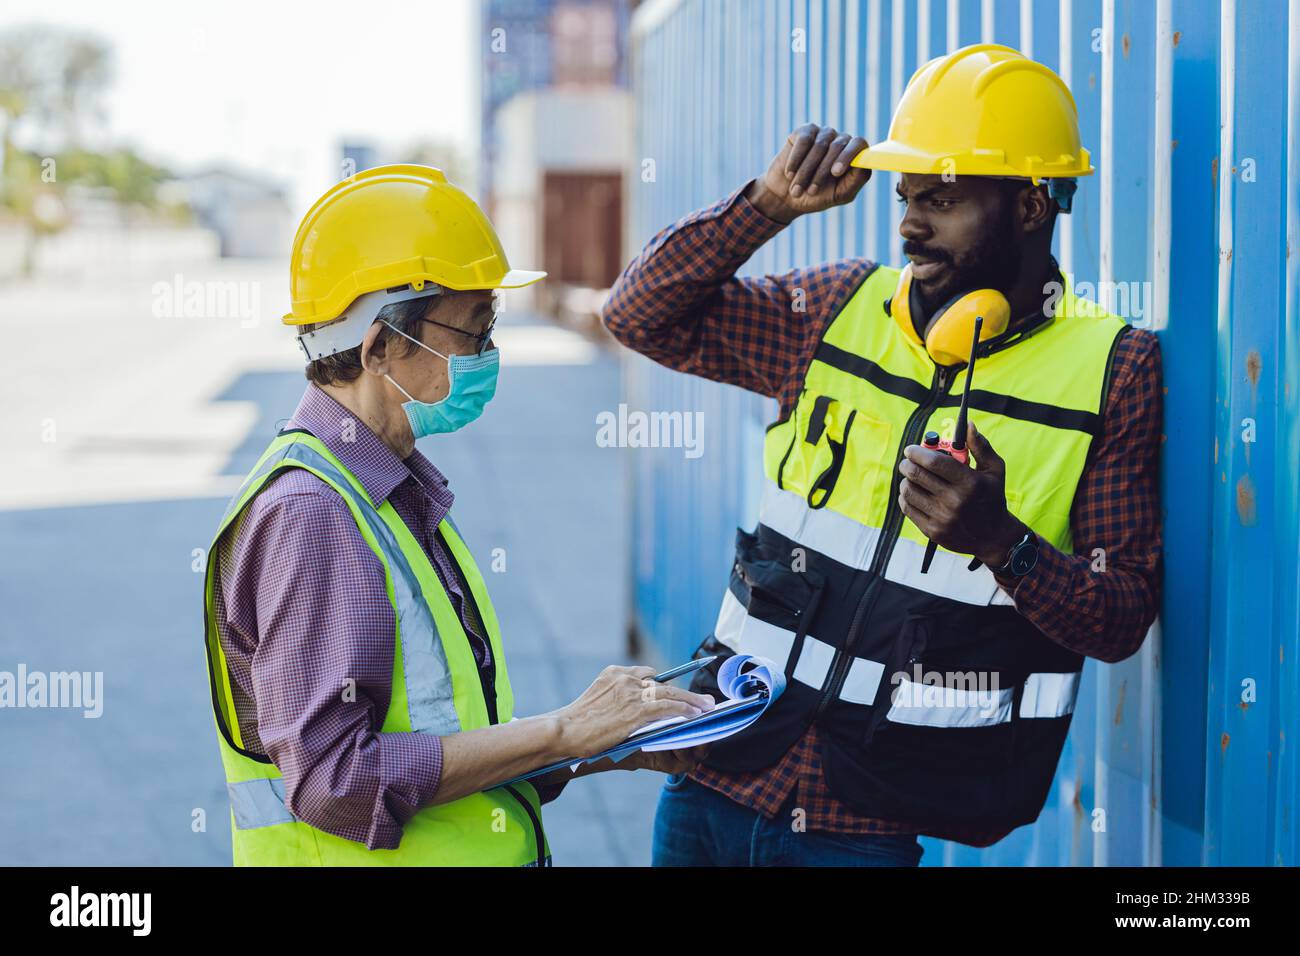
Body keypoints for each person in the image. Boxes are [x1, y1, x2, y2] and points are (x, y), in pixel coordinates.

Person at [602, 45, 1163, 867]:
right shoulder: (834, 308)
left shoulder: (1114, 370)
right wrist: (764, 206)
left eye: (942, 198)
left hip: (869, 818)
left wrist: (1001, 542)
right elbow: (639, 314)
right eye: (906, 197)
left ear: (1032, 204)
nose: (909, 223)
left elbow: (1119, 618)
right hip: (716, 773)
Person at [202, 164, 713, 866]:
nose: (491, 354)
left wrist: (601, 744)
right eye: (475, 331)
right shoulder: (313, 516)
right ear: (380, 345)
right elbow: (335, 781)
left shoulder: (386, 489)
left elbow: (444, 740)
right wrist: (560, 732)